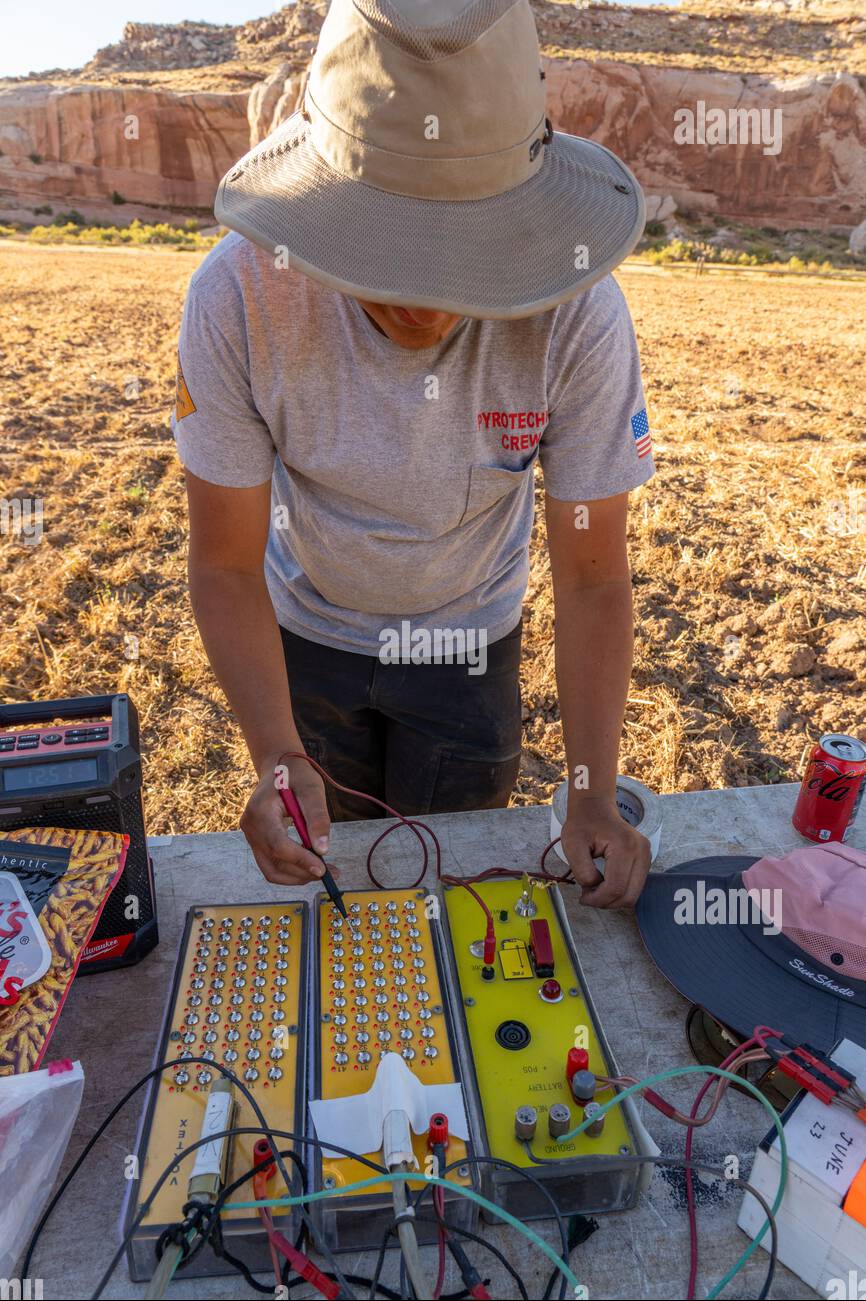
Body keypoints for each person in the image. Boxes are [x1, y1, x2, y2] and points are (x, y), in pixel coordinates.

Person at [173, 0, 655, 909]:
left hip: (472, 650)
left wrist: (591, 792)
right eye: (384, 257)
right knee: (338, 890)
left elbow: (593, 574)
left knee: (449, 894)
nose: (425, 306)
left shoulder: (581, 314)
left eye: (462, 263)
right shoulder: (235, 298)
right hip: (307, 638)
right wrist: (277, 754)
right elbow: (228, 563)